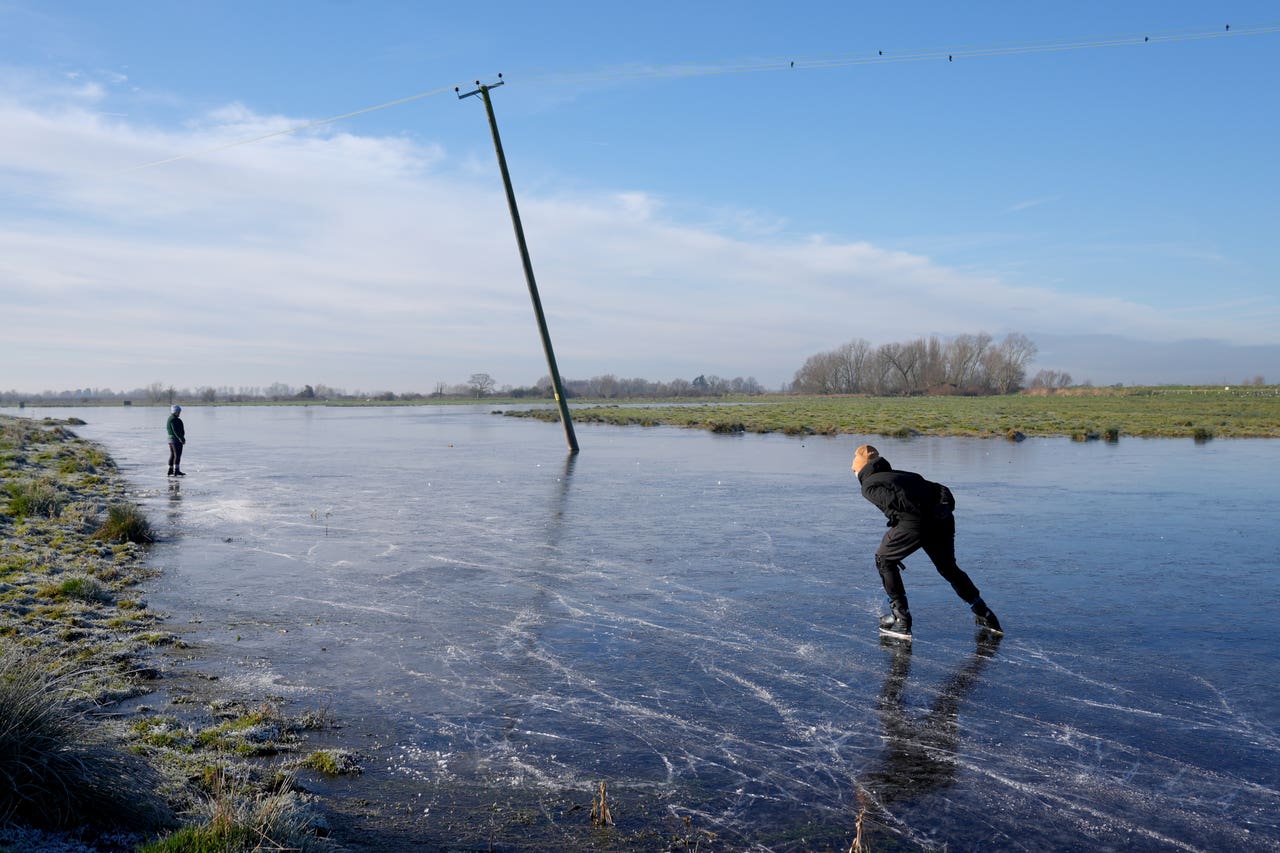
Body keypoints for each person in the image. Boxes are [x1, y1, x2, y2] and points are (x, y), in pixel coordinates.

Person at [852, 444, 1001, 639]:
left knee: (884, 559)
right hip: (942, 519)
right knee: (948, 567)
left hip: (917, 522)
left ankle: (901, 620)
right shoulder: (906, 475)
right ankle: (984, 612)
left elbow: (901, 503)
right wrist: (942, 509)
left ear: (861, 468)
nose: (853, 472)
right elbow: (941, 489)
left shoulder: (869, 485)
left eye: (854, 469)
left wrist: (915, 518)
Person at [166, 405, 186, 476]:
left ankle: (170, 470)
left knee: (173, 455)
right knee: (177, 455)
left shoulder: (170, 418)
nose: (180, 413)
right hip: (176, 440)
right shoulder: (174, 419)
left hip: (170, 440)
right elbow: (175, 430)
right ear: (175, 411)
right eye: (179, 411)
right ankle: (176, 471)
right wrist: (181, 438)